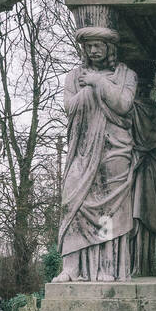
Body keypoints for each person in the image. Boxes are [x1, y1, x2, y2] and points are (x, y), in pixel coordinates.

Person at [54, 26, 138, 282]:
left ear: (110, 48)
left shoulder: (127, 75)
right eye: (88, 46)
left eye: (98, 45)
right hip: (83, 150)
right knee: (72, 203)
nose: (93, 50)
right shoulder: (73, 77)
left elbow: (123, 105)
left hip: (114, 149)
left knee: (108, 211)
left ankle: (107, 266)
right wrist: (87, 89)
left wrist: (98, 83)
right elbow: (69, 108)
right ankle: (71, 267)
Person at [130, 65, 156, 277]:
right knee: (149, 211)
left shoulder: (130, 109)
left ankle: (134, 265)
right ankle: (147, 264)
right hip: (151, 164)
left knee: (134, 213)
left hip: (134, 165)